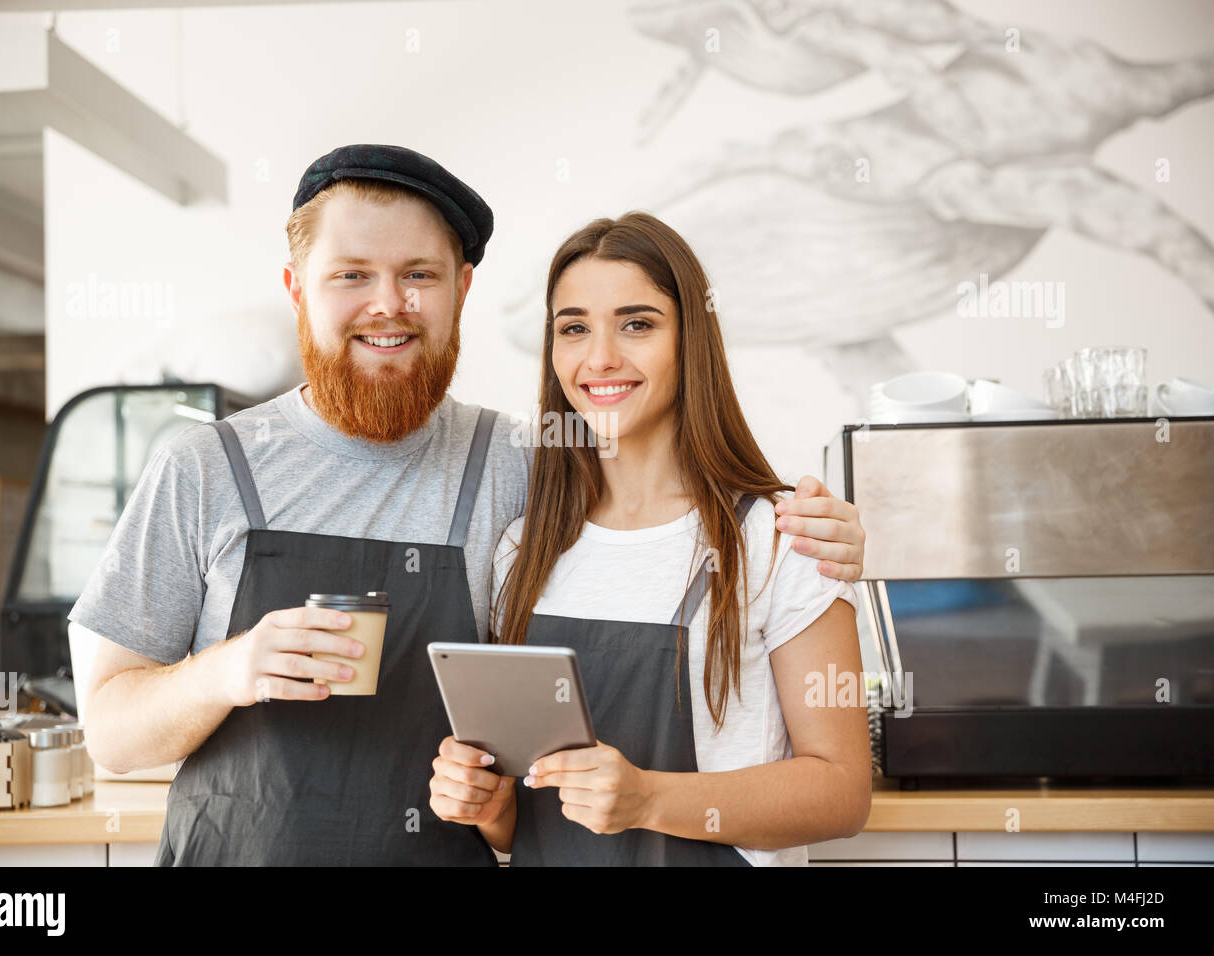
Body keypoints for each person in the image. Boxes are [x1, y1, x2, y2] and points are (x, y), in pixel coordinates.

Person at [73, 144, 867, 866]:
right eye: (351, 274)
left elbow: (663, 500)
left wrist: (835, 533)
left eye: (418, 274)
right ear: (297, 289)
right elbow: (109, 735)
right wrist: (226, 671)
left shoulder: (527, 472)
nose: (388, 304)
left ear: (461, 290)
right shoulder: (203, 468)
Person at [429, 211, 871, 865]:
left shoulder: (781, 536)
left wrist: (647, 799)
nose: (600, 357)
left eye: (637, 323)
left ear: (690, 340)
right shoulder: (523, 550)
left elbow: (840, 792)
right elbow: (525, 814)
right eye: (574, 328)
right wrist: (490, 810)